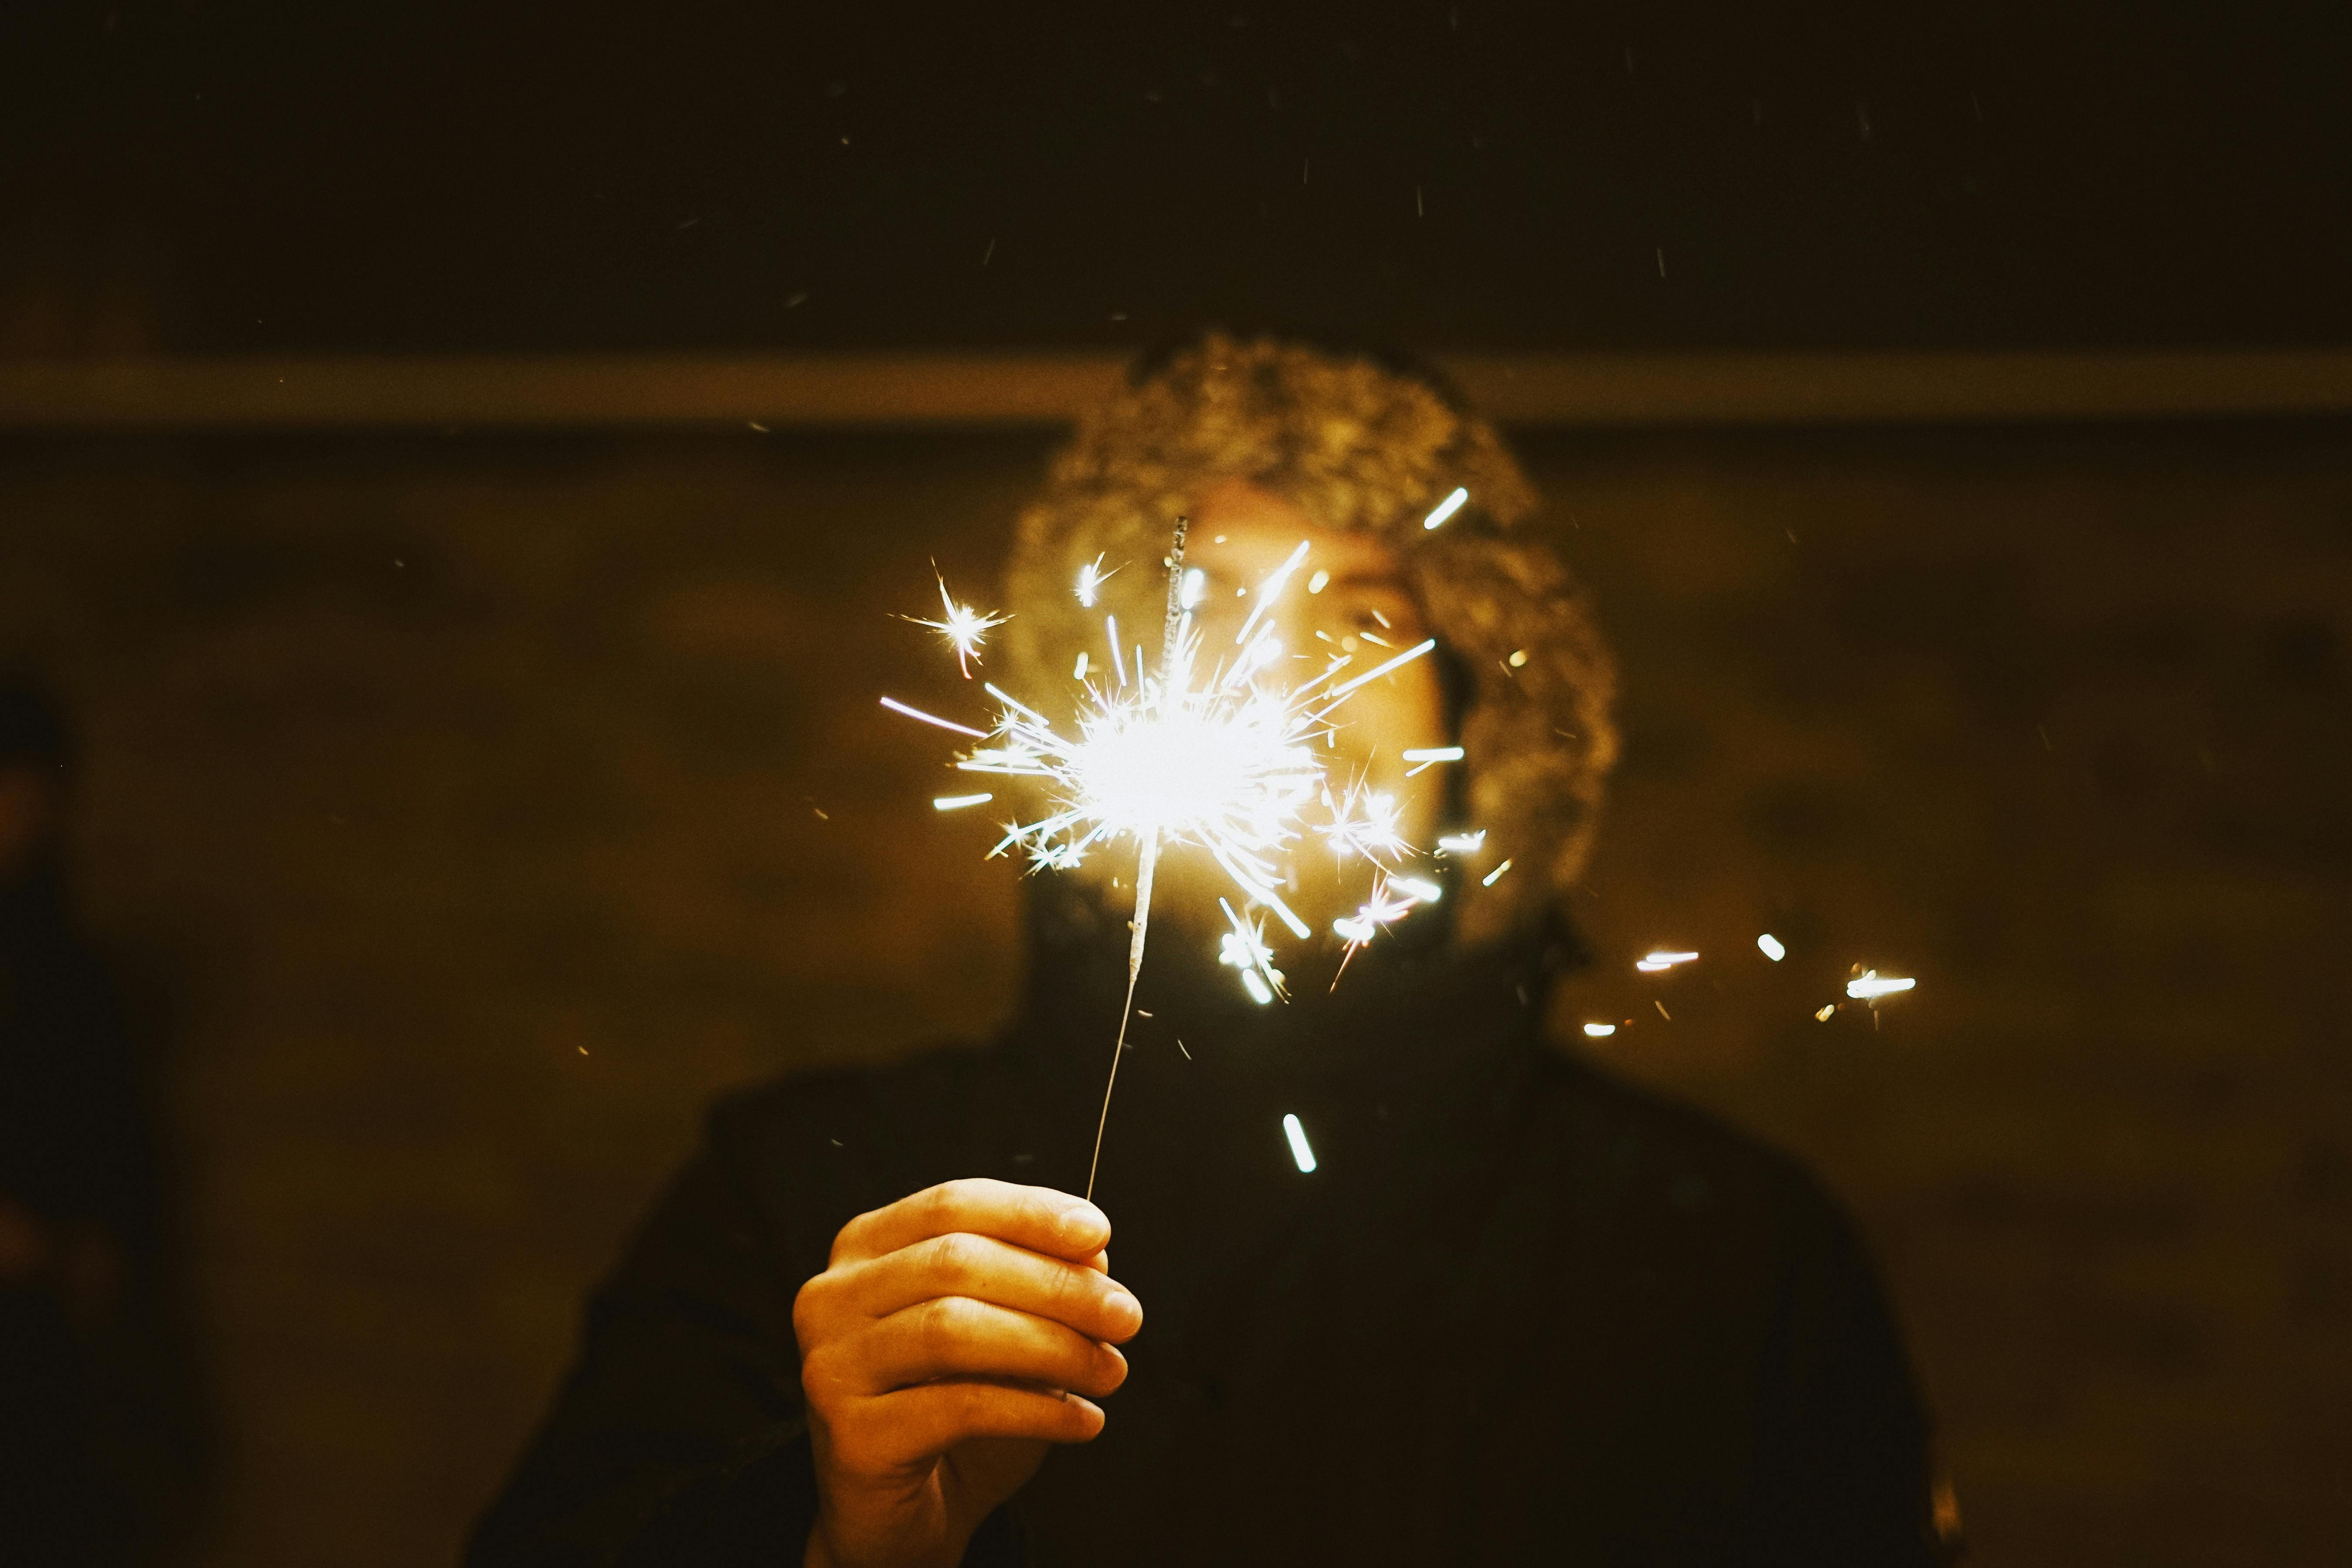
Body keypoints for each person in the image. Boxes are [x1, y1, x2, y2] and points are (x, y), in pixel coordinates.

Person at [471, 335, 1957, 1566]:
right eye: (1217, 608)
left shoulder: (1732, 1257)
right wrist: (836, 1543)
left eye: (1362, 612)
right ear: (1097, 697)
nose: (1293, 677)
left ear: (1472, 726)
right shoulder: (810, 1196)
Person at [0, 682, 203, 1565]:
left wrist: (86, 1249)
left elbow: (112, 1148)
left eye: (35, 786)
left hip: (41, 1335)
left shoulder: (71, 971)